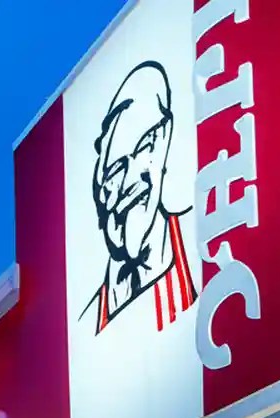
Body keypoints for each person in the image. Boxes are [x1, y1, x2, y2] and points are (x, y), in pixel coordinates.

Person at [80, 60, 197, 335]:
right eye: (116, 170)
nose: (132, 178)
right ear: (103, 190)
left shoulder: (203, 242)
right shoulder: (85, 328)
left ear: (164, 144)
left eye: (144, 146)